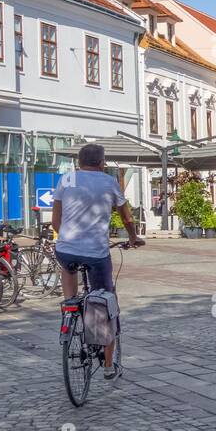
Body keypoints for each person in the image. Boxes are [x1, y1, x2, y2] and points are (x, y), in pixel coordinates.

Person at [51, 143, 146, 376]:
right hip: (96, 252)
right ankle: (108, 364)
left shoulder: (67, 180)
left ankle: (70, 308)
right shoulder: (109, 182)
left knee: (68, 268)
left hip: (66, 248)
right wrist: (134, 238)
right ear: (102, 162)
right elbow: (126, 218)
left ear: (79, 162)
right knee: (106, 301)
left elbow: (56, 219)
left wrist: (65, 237)